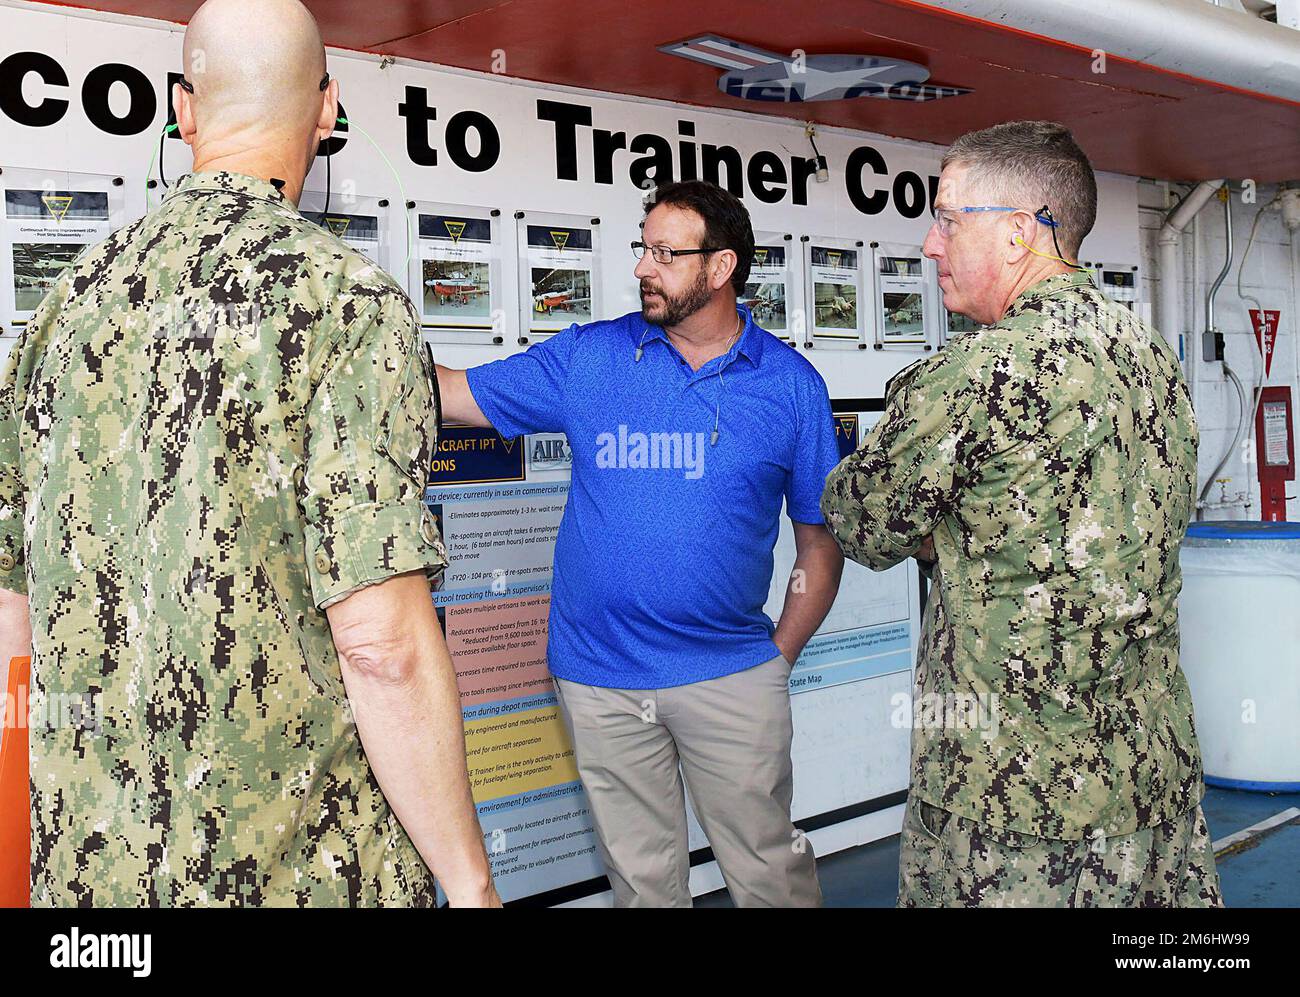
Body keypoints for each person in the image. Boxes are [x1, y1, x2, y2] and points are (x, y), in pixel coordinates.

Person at [0, 0, 498, 907]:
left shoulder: (65, 303)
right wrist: (469, 880)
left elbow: (12, 606)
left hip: (90, 877)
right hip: (290, 868)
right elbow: (380, 640)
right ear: (327, 110)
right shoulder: (346, 303)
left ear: (184, 111)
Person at [821, 120, 1221, 908]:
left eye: (945, 218)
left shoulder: (975, 373)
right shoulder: (1150, 356)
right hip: (1151, 783)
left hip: (1013, 812)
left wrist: (943, 536)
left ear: (1015, 233)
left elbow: (858, 517)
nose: (931, 245)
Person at [437, 180, 843, 907]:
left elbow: (819, 543)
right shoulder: (591, 357)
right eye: (643, 248)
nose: (642, 268)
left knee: (770, 872)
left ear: (720, 268)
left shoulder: (790, 387)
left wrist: (776, 657)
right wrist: (358, 340)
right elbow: (456, 395)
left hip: (731, 674)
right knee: (643, 883)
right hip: (600, 679)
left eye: (665, 253)